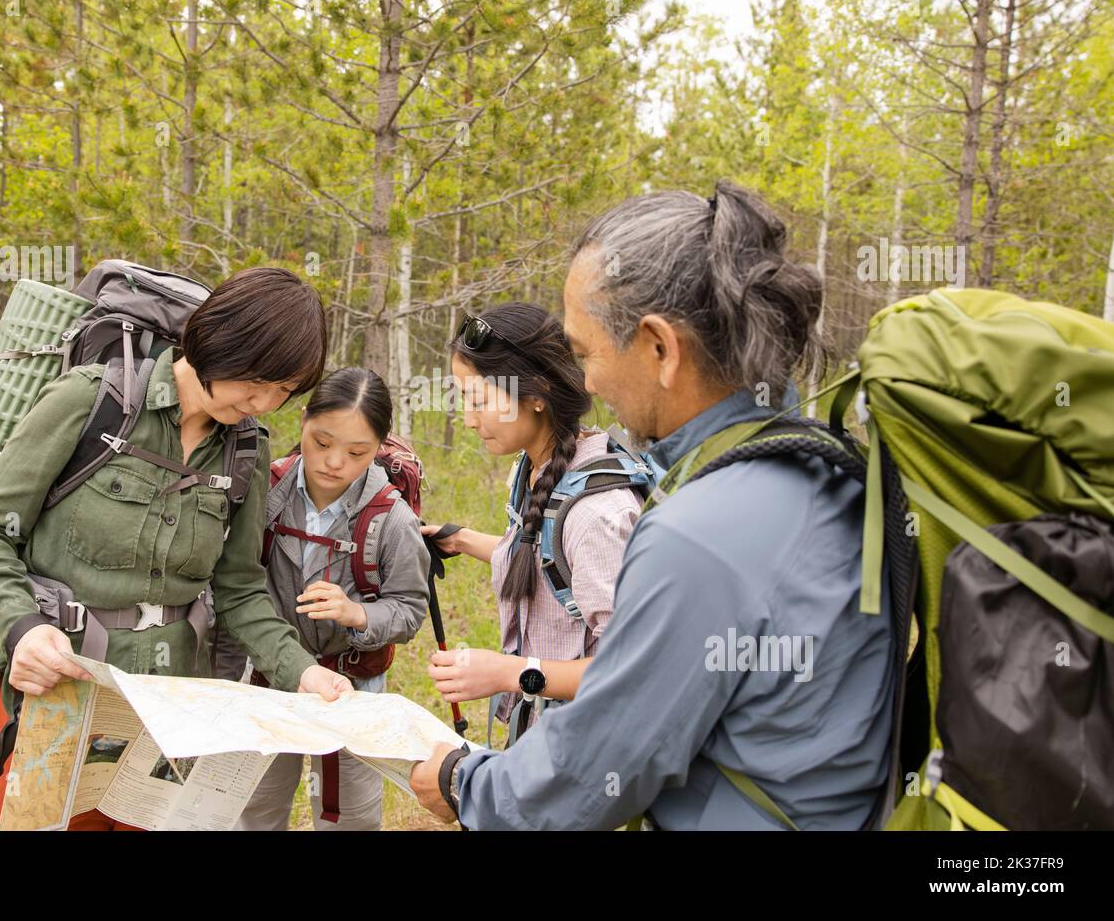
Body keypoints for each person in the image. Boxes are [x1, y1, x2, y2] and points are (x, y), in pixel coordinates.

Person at [410, 181, 898, 830]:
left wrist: (461, 781)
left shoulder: (699, 533)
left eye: (586, 353)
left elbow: (597, 766)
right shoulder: (826, 465)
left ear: (660, 348)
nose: (584, 382)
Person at [0, 267, 353, 831]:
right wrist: (22, 628)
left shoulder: (245, 449)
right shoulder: (91, 401)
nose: (263, 402)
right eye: (255, 380)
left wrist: (302, 672)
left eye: (284, 391)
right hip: (59, 688)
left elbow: (239, 588)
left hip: (167, 706)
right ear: (217, 341)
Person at [421, 303, 642, 746]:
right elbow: (539, 553)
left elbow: (629, 668)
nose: (468, 419)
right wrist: (461, 540)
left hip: (583, 748)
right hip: (539, 736)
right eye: (465, 399)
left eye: (480, 401)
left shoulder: (597, 515)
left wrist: (508, 672)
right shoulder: (534, 466)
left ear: (537, 393)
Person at [235, 367, 430, 830]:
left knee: (350, 817)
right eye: (321, 443)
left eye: (357, 452)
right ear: (302, 421)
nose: (334, 462)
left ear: (378, 447)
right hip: (270, 678)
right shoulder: (264, 492)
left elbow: (408, 610)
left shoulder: (391, 520)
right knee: (256, 805)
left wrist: (356, 612)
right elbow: (234, 581)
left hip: (353, 686)